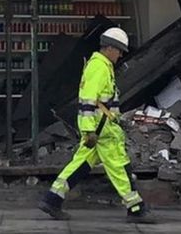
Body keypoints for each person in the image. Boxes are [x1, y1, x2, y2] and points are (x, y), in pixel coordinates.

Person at [38, 27, 156, 224]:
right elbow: (87, 101)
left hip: (99, 128)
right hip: (102, 131)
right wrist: (89, 130)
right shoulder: (99, 67)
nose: (120, 55)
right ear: (110, 48)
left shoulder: (101, 66)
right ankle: (136, 208)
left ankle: (52, 199)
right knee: (119, 167)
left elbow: (102, 102)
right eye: (119, 51)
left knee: (80, 164)